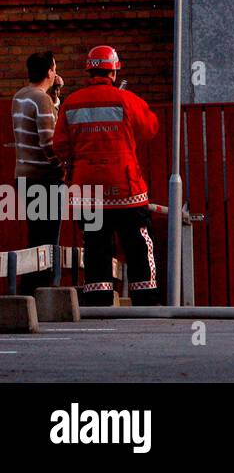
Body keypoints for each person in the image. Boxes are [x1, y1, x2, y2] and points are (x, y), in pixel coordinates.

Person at [52, 46, 160, 306]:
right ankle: (145, 299)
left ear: (89, 70)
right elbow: (150, 129)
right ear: (113, 71)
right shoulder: (127, 100)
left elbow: (60, 146)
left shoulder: (71, 103)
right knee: (138, 243)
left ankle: (98, 300)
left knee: (95, 245)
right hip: (126, 189)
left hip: (88, 191)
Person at [10, 51, 64, 293]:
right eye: (54, 68)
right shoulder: (40, 100)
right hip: (45, 178)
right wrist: (61, 167)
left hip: (23, 176)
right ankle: (44, 291)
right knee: (49, 238)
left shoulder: (20, 96)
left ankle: (30, 289)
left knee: (36, 236)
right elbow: (47, 142)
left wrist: (54, 95)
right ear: (50, 72)